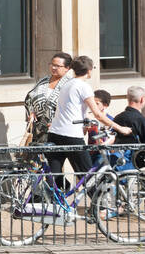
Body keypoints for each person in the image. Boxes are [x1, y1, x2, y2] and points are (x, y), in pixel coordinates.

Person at [45, 55, 131, 190]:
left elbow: (71, 109)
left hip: (55, 132)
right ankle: (99, 209)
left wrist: (84, 124)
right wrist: (121, 128)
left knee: (54, 176)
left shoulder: (66, 84)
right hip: (71, 135)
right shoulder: (83, 86)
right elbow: (98, 114)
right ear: (89, 70)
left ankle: (53, 206)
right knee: (88, 175)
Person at [24, 52, 72, 145]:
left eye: (57, 66)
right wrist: (31, 112)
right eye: (52, 64)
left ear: (67, 68)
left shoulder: (70, 84)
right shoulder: (43, 81)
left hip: (59, 131)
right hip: (38, 131)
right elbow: (29, 98)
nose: (53, 68)